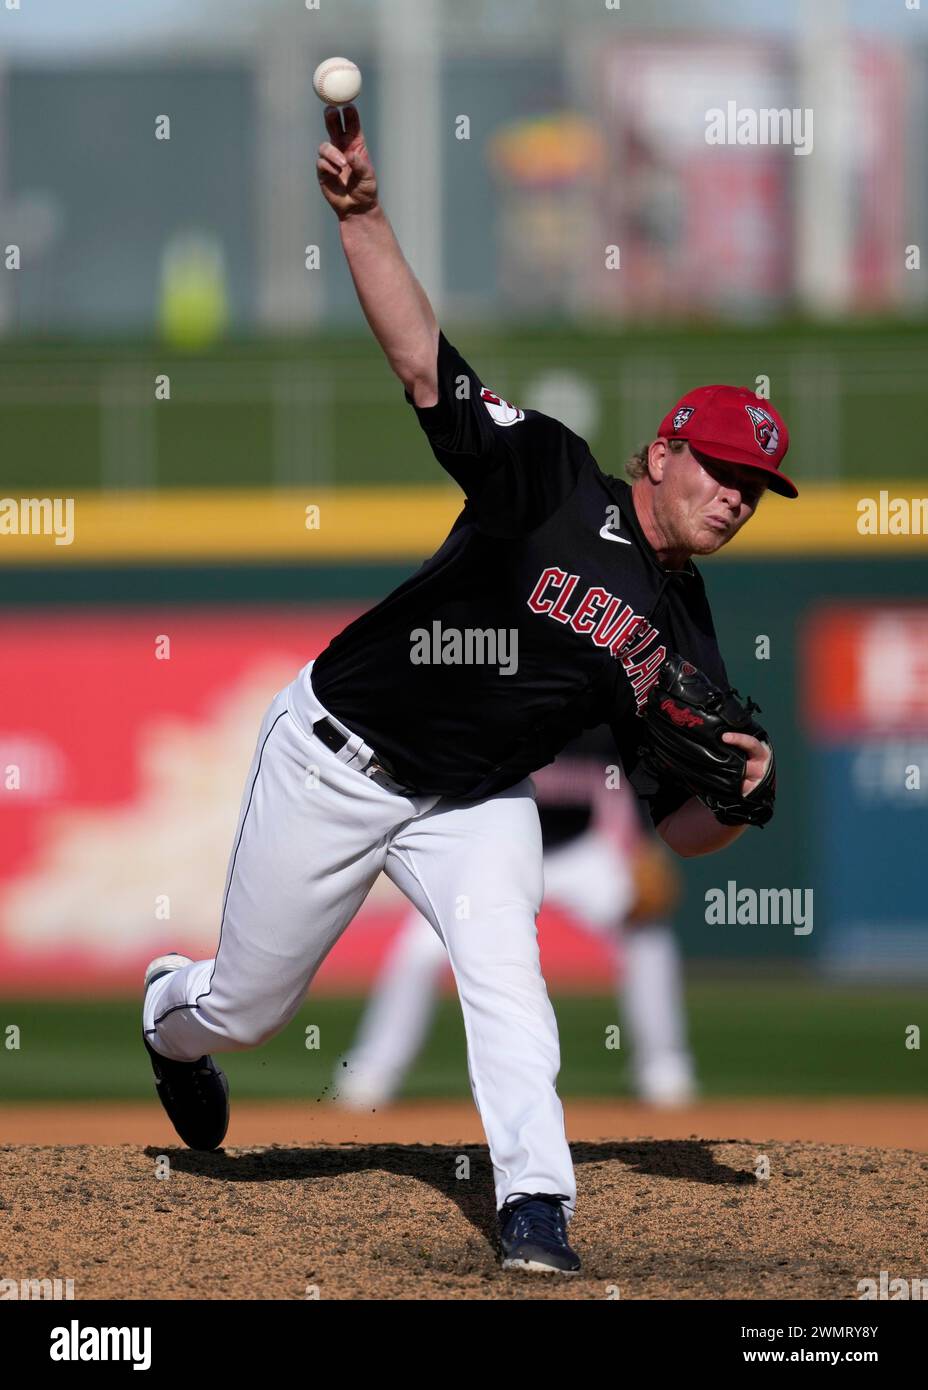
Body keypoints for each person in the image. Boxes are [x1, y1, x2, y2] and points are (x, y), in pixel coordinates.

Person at [141, 103, 797, 1277]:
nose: (738, 494)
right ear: (661, 451)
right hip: (340, 752)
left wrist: (745, 795)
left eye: (758, 486)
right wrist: (361, 217)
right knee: (245, 1008)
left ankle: (535, 1208)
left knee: (508, 978)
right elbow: (422, 366)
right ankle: (168, 1020)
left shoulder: (684, 631)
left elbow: (676, 823)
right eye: (724, 467)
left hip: (473, 800)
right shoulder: (548, 476)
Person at [335, 726, 696, 1111]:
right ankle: (372, 1071)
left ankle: (664, 1067)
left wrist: (644, 847)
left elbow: (634, 769)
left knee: (646, 934)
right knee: (420, 950)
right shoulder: (502, 707)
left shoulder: (595, 717)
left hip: (579, 853)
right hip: (497, 857)